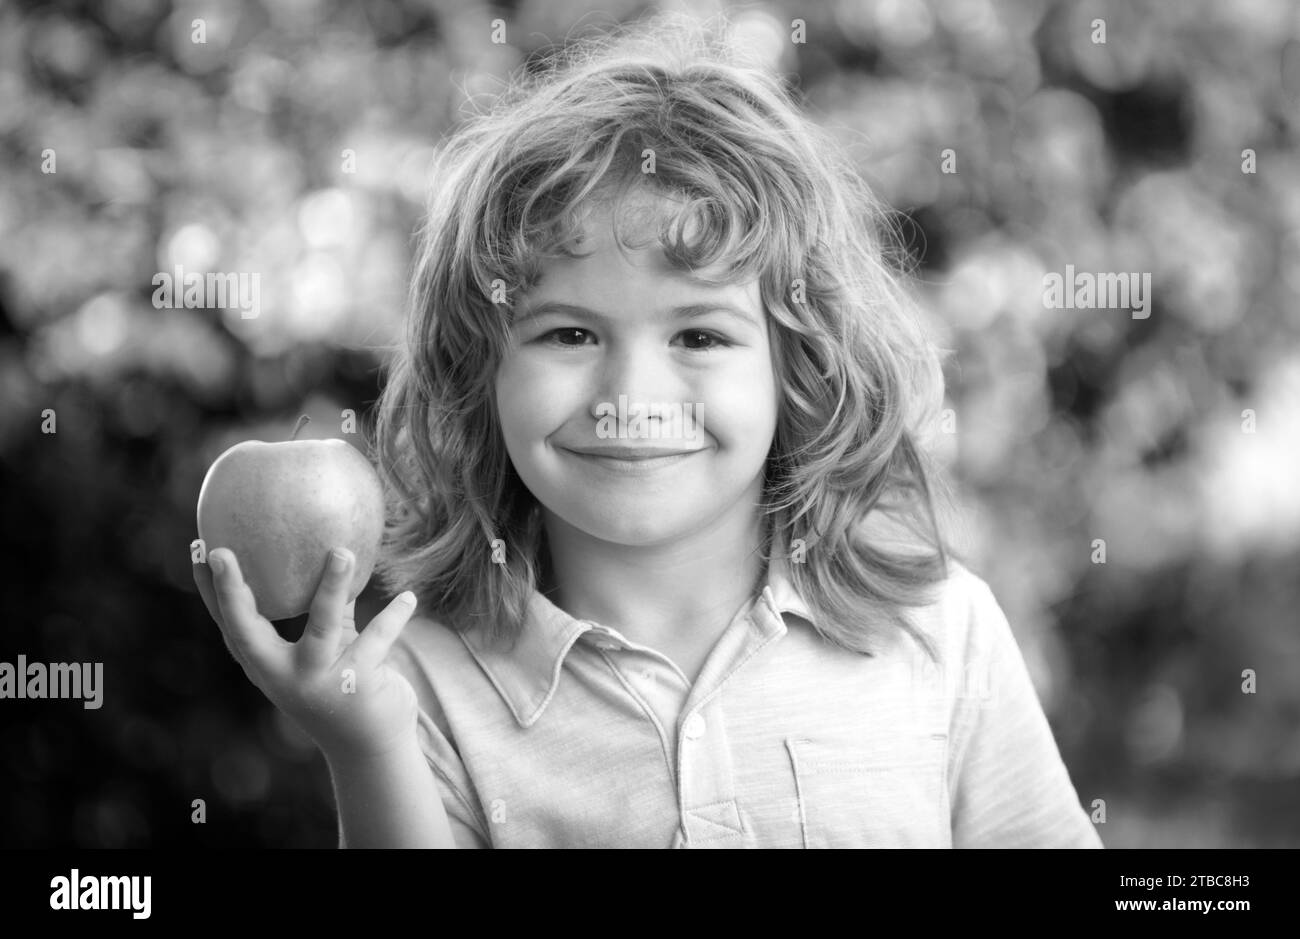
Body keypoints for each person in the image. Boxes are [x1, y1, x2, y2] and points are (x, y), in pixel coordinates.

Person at [195, 13, 1102, 849]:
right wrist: (365, 742)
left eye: (700, 334)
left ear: (800, 365)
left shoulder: (938, 634)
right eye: (570, 333)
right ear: (482, 371)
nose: (631, 392)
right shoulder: (419, 680)